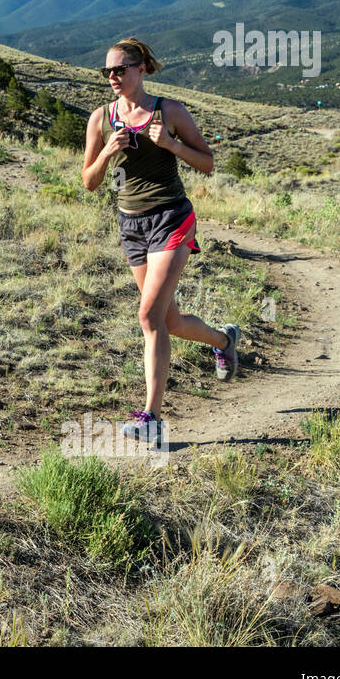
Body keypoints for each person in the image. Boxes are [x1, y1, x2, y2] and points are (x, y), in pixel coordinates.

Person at [80, 38, 239, 447]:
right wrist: (107, 154)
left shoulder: (169, 111)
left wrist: (170, 144)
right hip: (131, 225)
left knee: (148, 316)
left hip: (172, 218)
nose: (113, 77)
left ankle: (151, 417)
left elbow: (207, 163)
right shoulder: (100, 119)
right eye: (107, 72)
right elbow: (89, 181)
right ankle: (224, 341)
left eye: (120, 69)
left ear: (142, 69)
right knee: (169, 322)